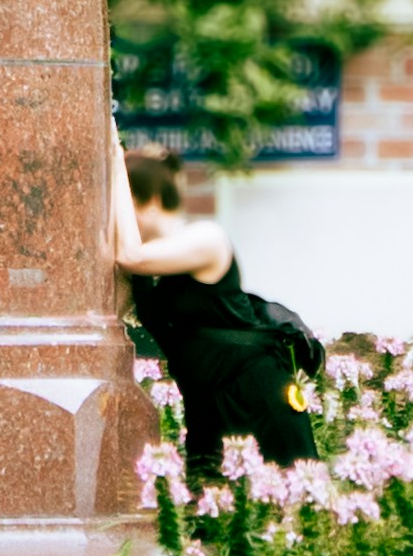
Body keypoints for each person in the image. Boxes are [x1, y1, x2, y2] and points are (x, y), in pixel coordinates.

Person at [108, 122, 322, 497]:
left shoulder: (205, 240)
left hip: (254, 395)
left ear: (152, 201)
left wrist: (111, 161)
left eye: (123, 207)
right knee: (213, 527)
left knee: (286, 513)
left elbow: (130, 255)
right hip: (207, 407)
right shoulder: (148, 272)